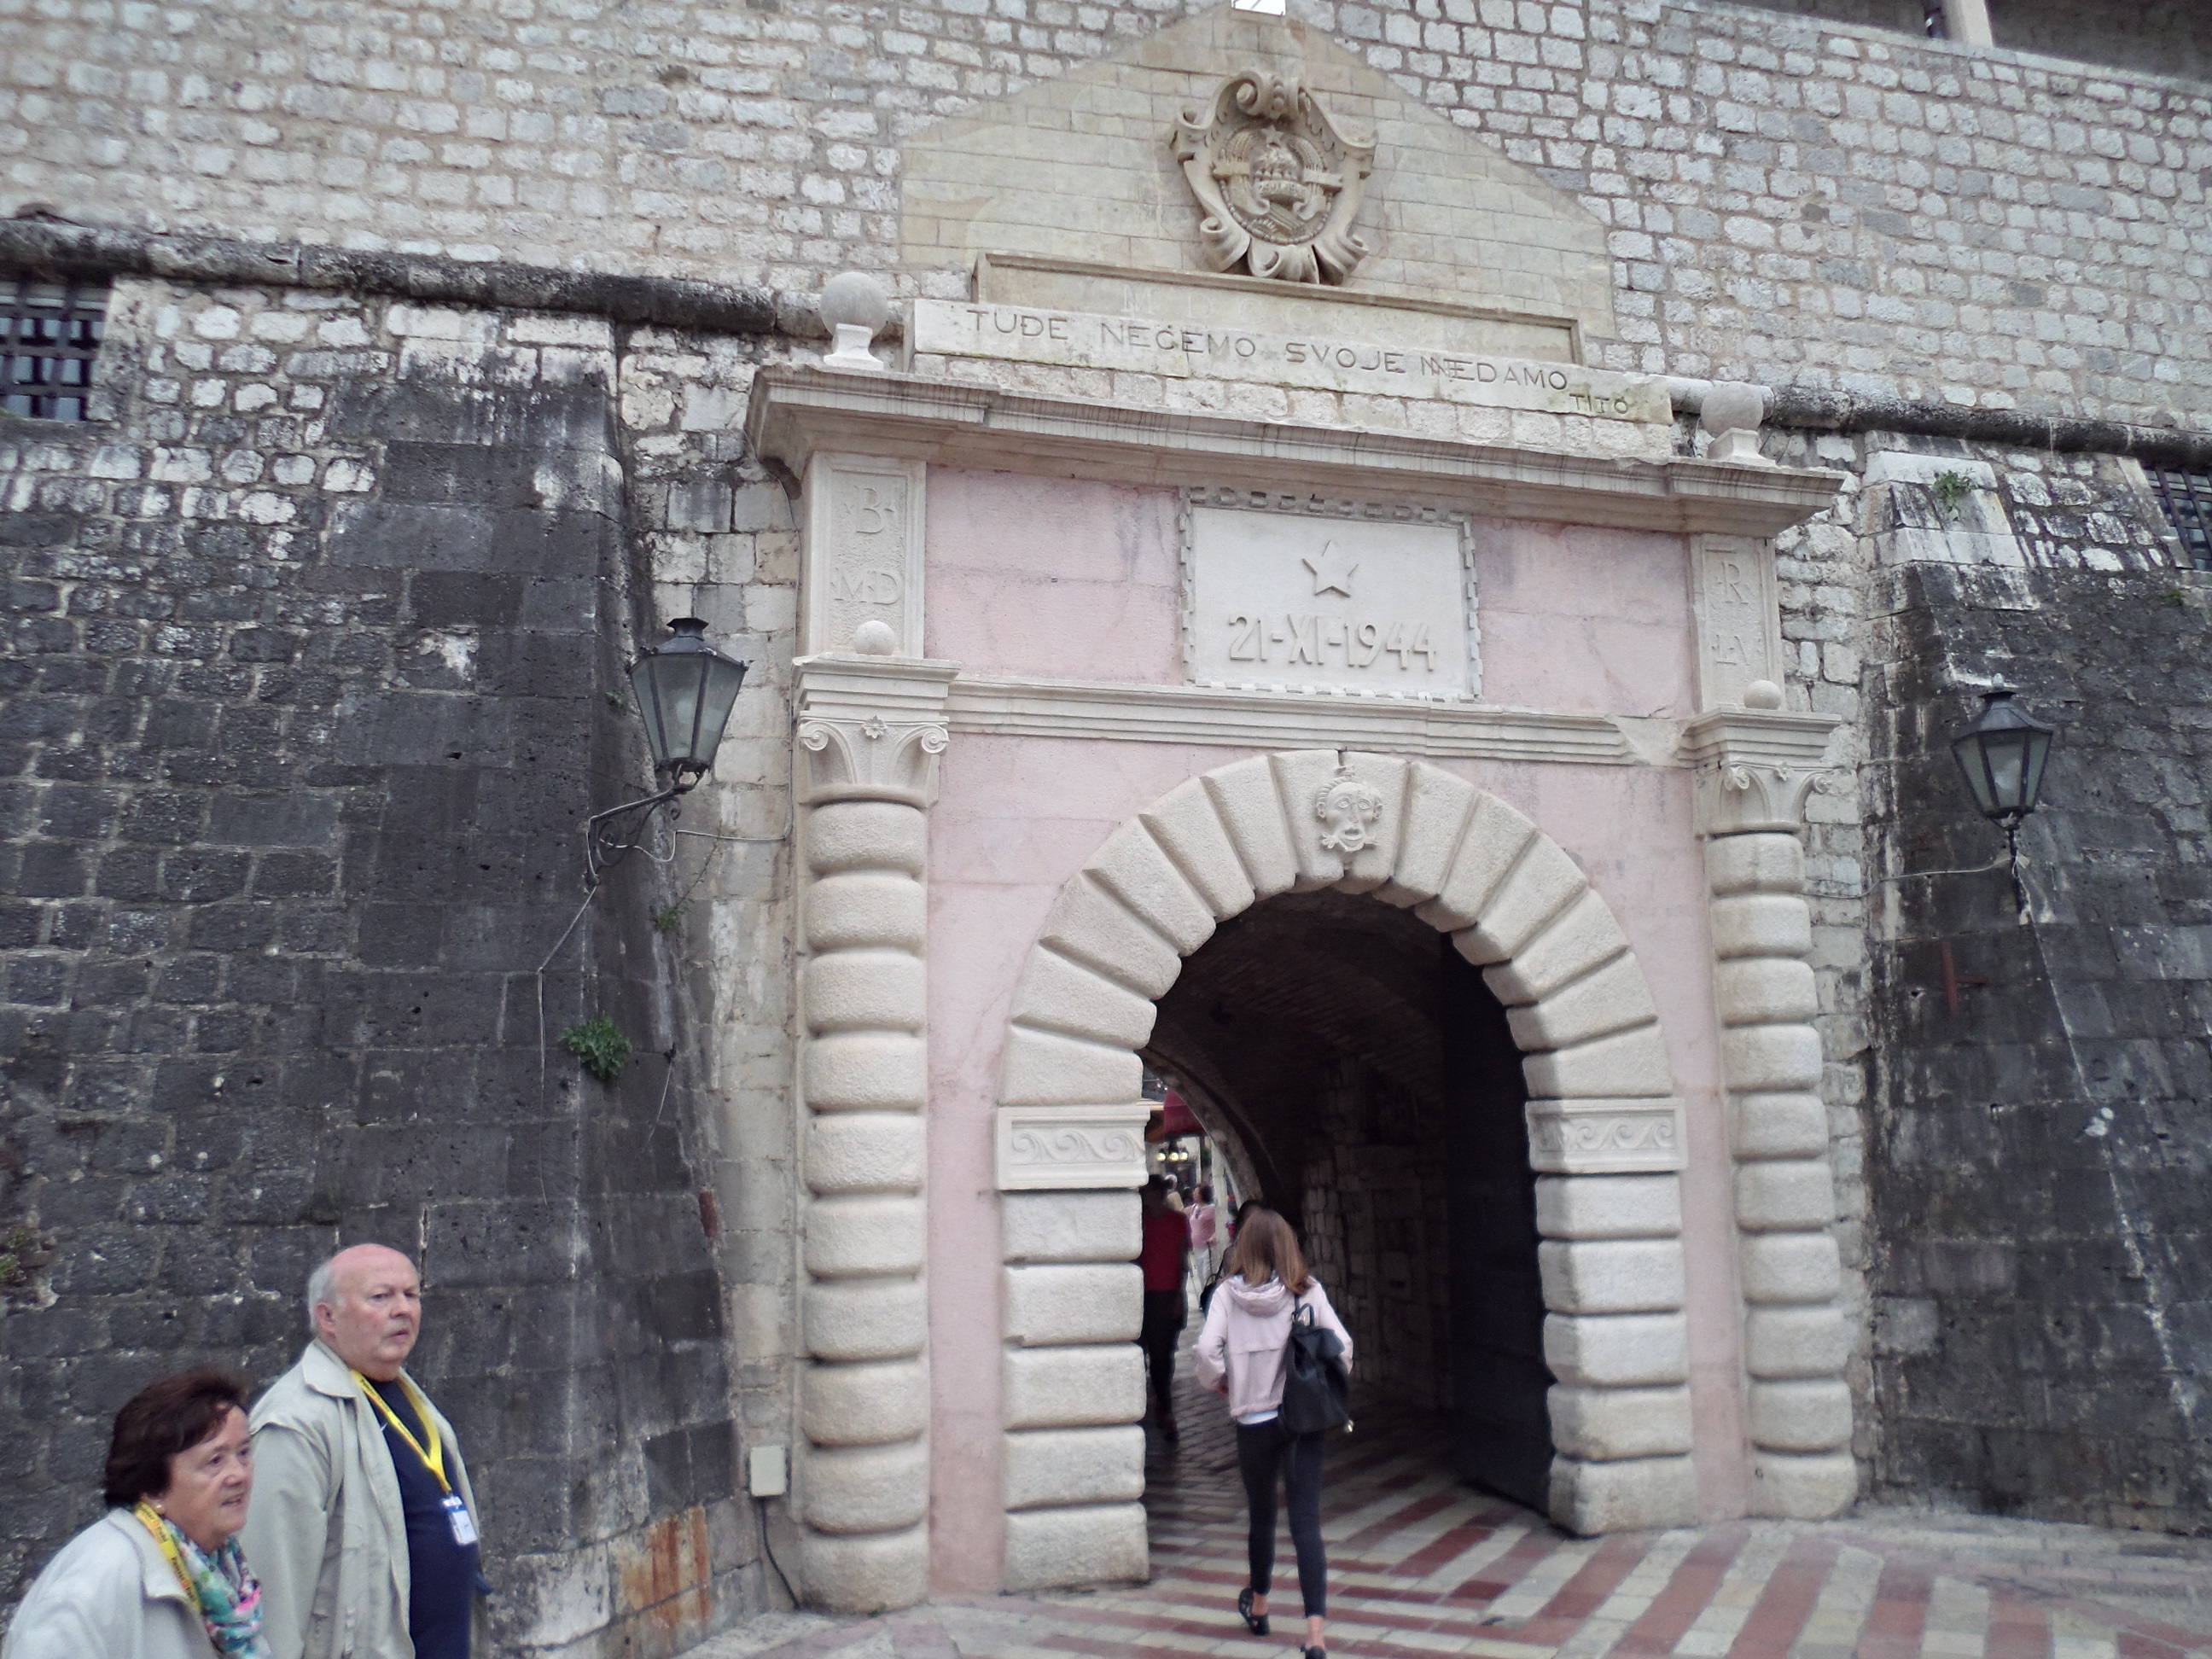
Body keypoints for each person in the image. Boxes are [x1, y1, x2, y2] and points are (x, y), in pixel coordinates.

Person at [242, 1244, 485, 1659]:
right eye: (381, 1296)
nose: (402, 1309)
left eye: (411, 1295)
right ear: (328, 1317)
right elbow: (272, 1593)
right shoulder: (295, 1423)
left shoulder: (408, 1396)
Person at [3, 1366, 270, 1659]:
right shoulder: (90, 1586)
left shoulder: (224, 1571)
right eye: (215, 1461)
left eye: (244, 1453)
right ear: (154, 1488)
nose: (239, 1475)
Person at [1194, 1208, 1353, 1659]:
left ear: (1243, 1247)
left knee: (1262, 1515)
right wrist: (1328, 1386)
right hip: (1302, 1421)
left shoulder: (1227, 1295)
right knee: (1306, 1522)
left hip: (1253, 1422)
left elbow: (1207, 1350)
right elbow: (1343, 1348)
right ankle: (1316, 1635)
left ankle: (1261, 1606)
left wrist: (1221, 1380)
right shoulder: (1309, 1292)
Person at [1137, 1175, 1191, 1442]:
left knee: (1162, 1356)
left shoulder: (1177, 1221)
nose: (1151, 1197)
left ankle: (1164, 1407)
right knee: (1141, 1354)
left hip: (1166, 1295)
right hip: (1140, 1294)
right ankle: (1148, 1406)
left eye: (1154, 1192)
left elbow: (1182, 1260)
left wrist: (1179, 1297)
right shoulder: (1137, 1223)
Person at [1187, 1182, 1218, 1295]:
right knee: (1200, 1274)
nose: (1194, 1195)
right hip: (1196, 1247)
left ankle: (1209, 1296)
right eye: (1194, 1193)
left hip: (1208, 1247)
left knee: (1207, 1274)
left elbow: (1220, 1224)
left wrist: (1214, 1236)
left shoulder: (1212, 1209)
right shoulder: (1194, 1208)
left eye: (1197, 1193)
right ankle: (1204, 1296)